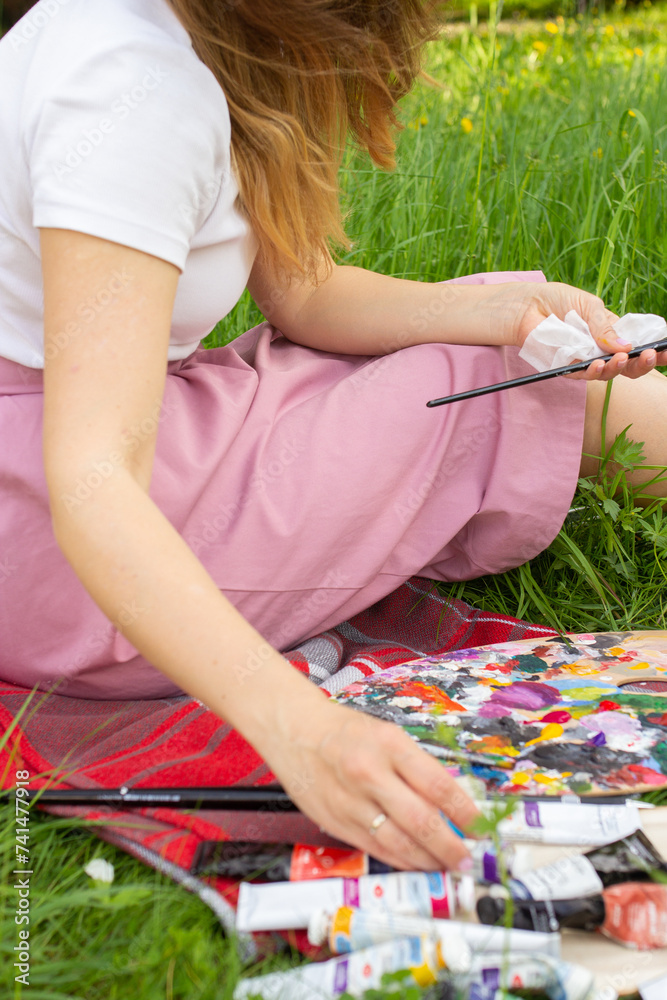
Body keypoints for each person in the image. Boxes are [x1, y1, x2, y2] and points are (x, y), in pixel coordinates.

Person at [1, 0, 666, 875]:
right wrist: (300, 729)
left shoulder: (194, 41)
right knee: (526, 397)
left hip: (95, 442)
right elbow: (92, 476)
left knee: (483, 364)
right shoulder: (135, 89)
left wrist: (500, 314)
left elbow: (303, 294)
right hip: (56, 546)